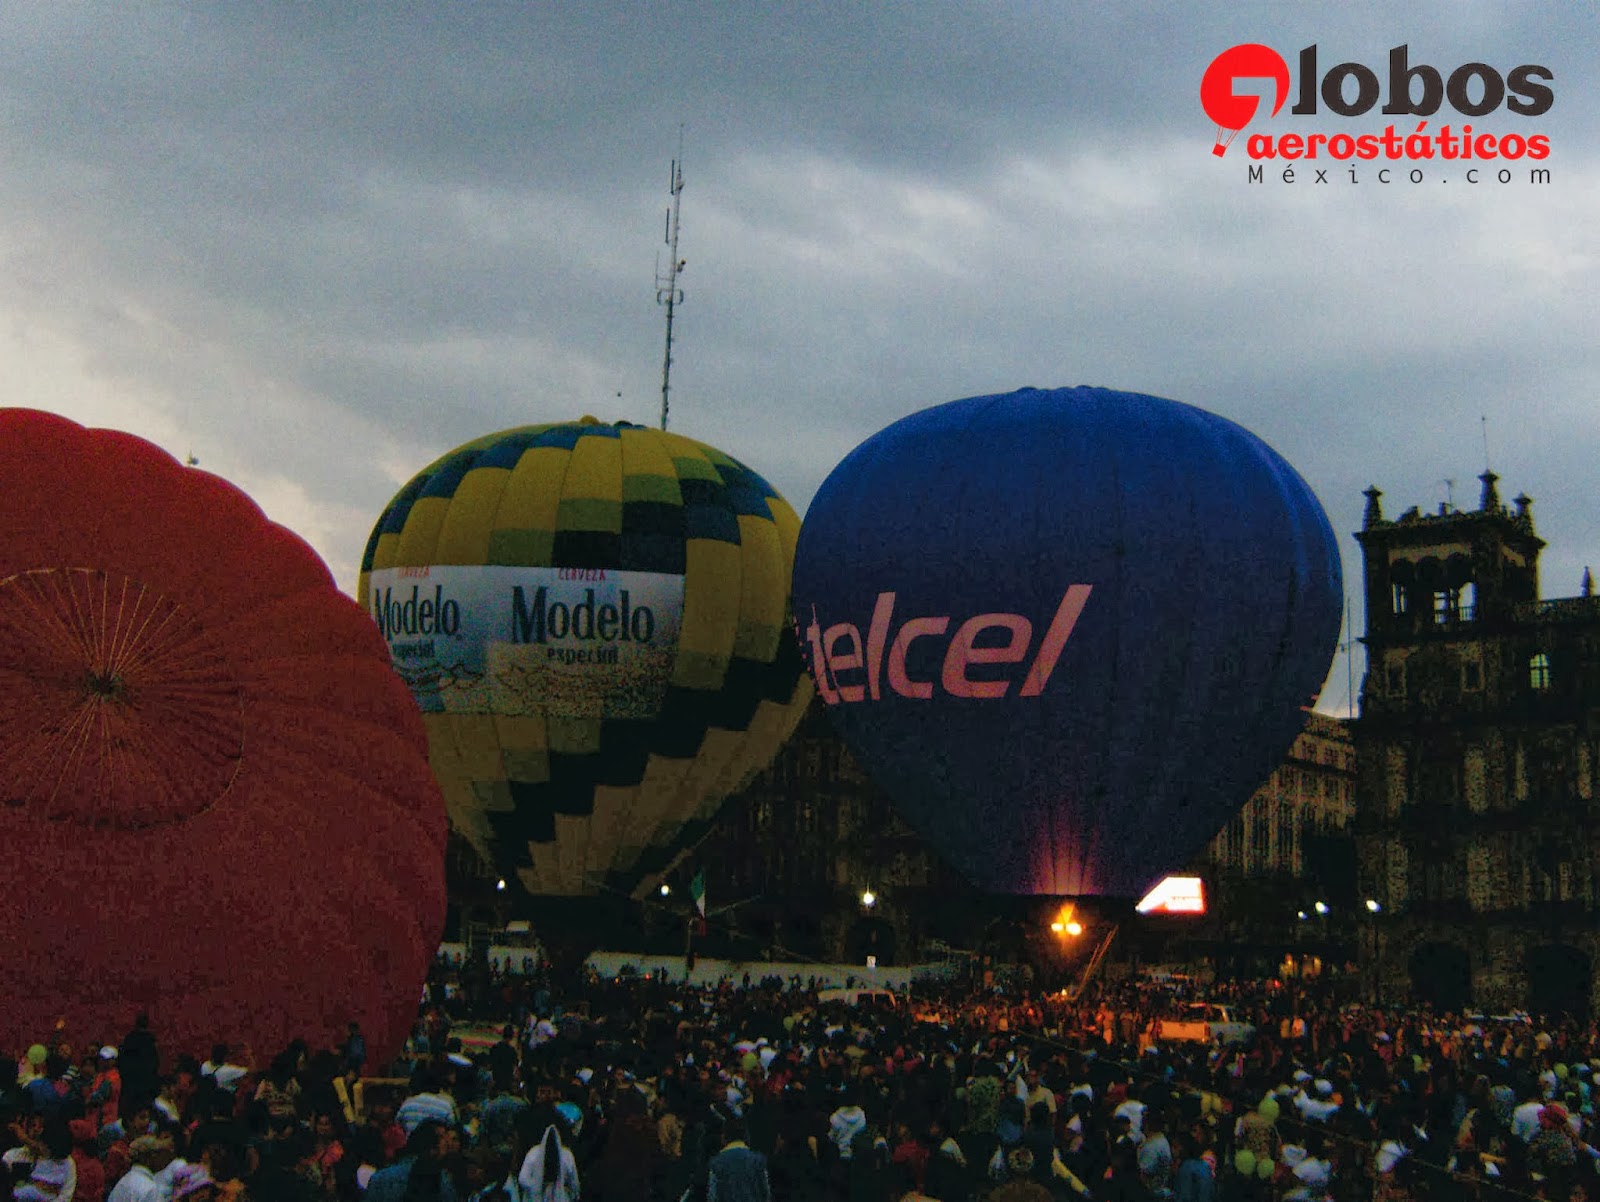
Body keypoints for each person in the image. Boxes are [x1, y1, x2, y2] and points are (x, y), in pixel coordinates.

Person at [366, 1119, 462, 1202]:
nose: (449, 1144)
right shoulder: (444, 1183)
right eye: (445, 1140)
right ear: (433, 1148)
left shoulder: (381, 1177)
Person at [706, 1117, 772, 1202]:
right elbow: (765, 1192)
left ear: (724, 1137)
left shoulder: (716, 1162)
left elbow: (713, 1196)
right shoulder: (757, 1160)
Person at [517, 1123, 578, 1202]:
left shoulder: (534, 1153)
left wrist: (535, 1187)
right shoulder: (567, 1155)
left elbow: (523, 1178)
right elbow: (574, 1183)